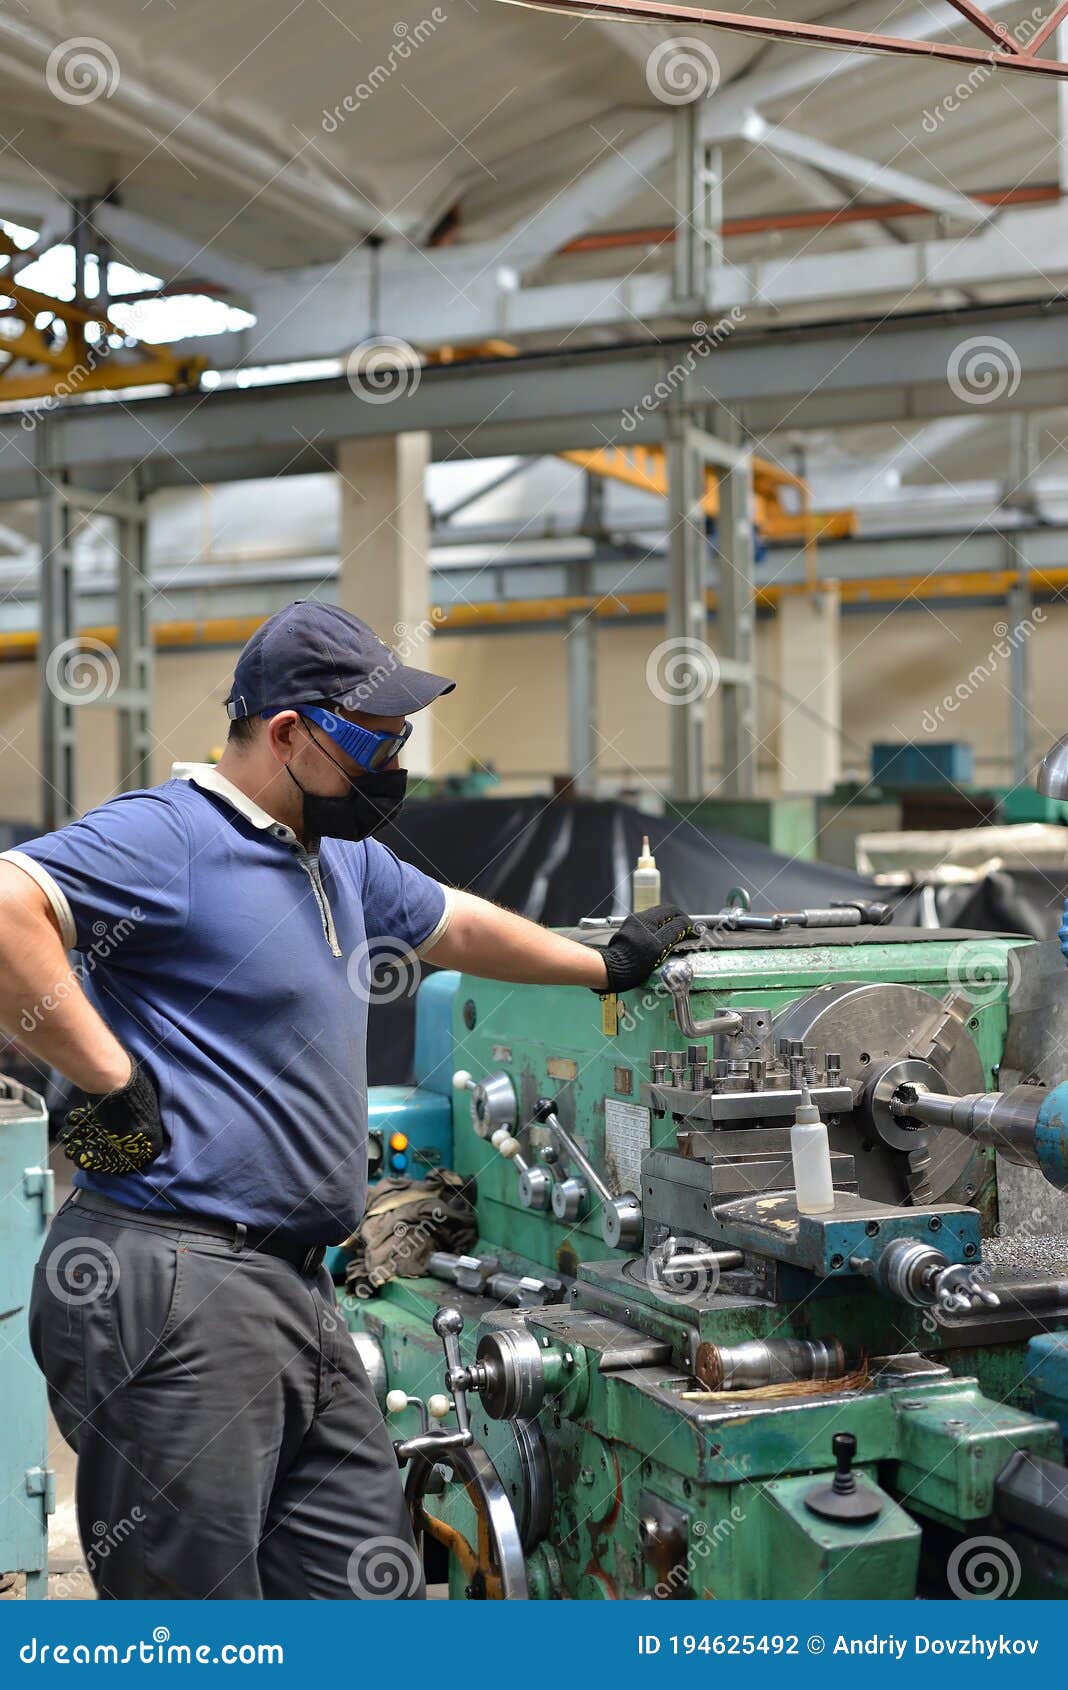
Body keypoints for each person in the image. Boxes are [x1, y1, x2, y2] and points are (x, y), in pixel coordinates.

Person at [0, 600, 693, 1600]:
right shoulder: (173, 836)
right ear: (287, 733)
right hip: (173, 1275)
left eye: (400, 739)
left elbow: (455, 925)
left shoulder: (336, 861)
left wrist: (603, 963)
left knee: (364, 1589)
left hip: (298, 1284)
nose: (391, 765)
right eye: (372, 741)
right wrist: (110, 1077)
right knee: (194, 1617)